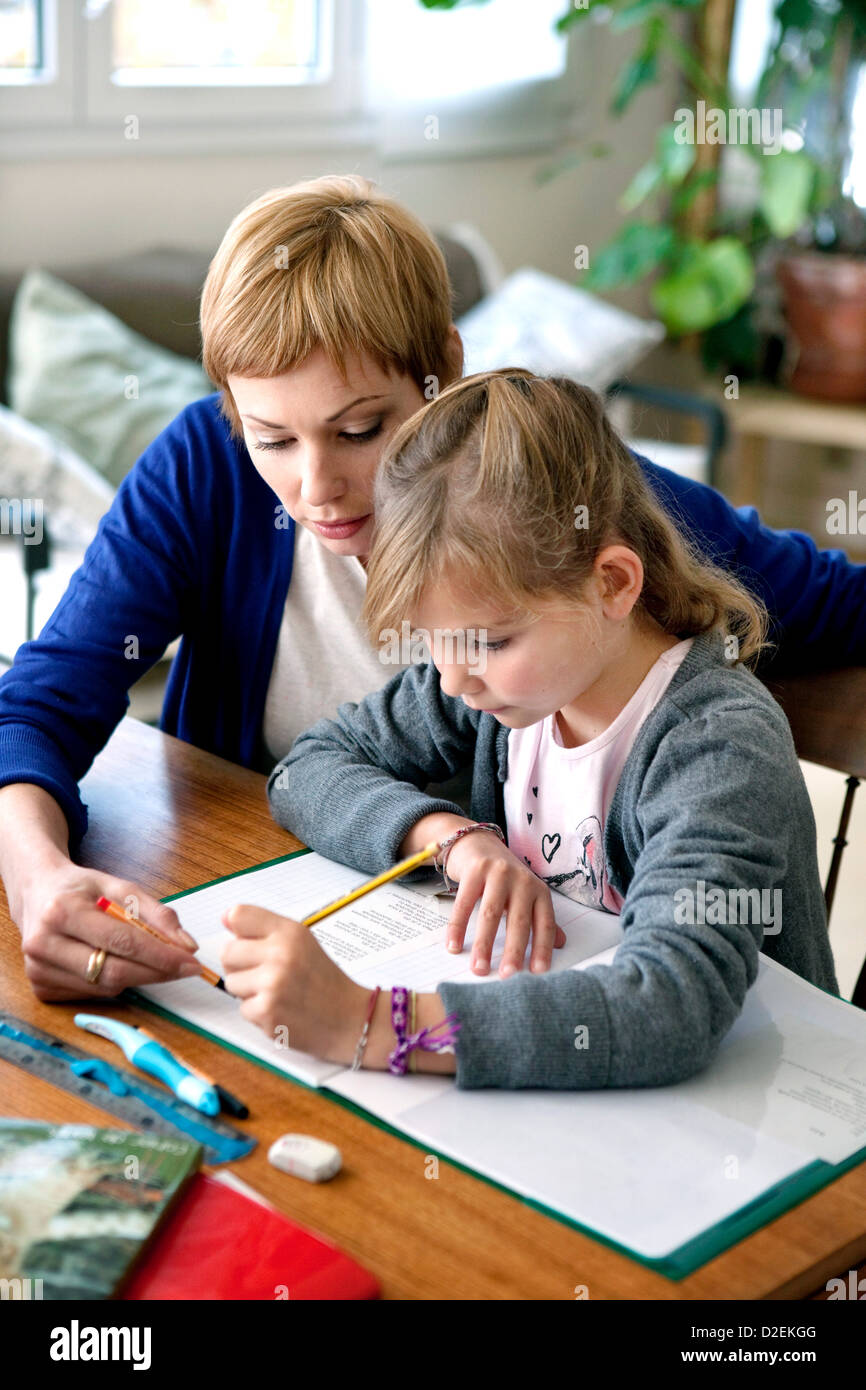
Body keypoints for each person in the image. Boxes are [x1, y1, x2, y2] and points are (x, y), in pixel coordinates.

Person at [0, 175, 862, 1005]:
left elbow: (833, 602)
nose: (316, 488)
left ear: (442, 368)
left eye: (360, 429)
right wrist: (38, 876)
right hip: (273, 930)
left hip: (504, 985)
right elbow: (42, 700)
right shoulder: (205, 472)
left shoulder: (562, 499)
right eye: (272, 438)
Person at [225, 370, 838, 1090]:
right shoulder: (502, 687)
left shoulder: (717, 745)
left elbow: (670, 1004)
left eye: (487, 643)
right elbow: (307, 769)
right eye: (432, 640)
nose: (452, 679)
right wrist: (453, 841)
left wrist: (373, 1023)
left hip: (767, 1120)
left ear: (612, 583)